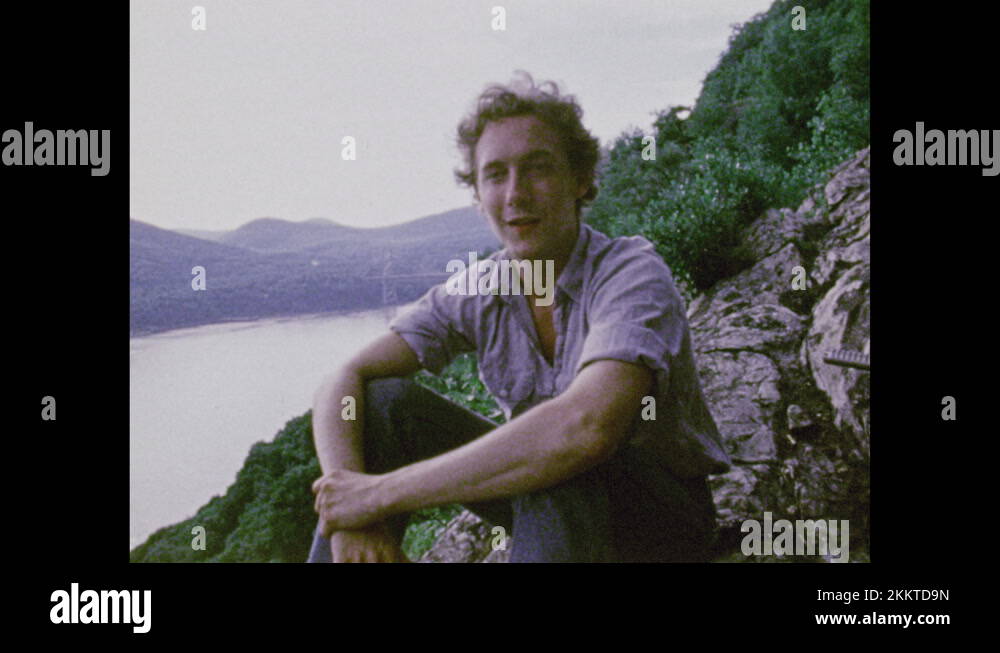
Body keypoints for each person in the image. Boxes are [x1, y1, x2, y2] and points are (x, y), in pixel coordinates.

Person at [307, 71, 731, 563]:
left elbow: (585, 430)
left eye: (538, 168)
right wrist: (349, 514)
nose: (516, 194)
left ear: (580, 179)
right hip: (550, 502)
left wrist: (379, 494)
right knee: (383, 405)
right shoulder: (482, 287)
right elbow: (342, 379)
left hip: (659, 523)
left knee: (559, 464)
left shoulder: (630, 272)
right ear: (477, 194)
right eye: (495, 174)